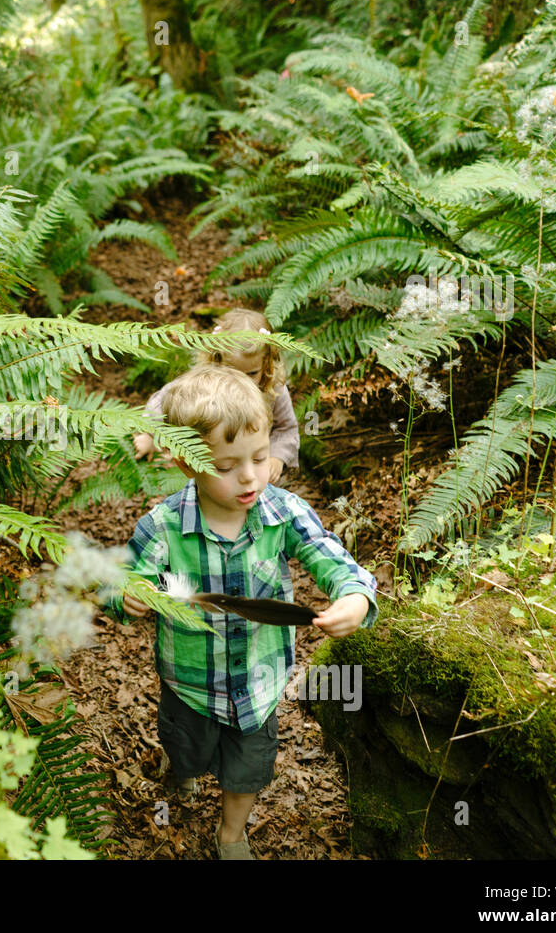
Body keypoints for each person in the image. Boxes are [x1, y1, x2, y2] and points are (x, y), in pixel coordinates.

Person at [113, 364, 377, 860]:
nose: (251, 475)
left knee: (249, 767)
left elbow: (327, 553)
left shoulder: (281, 511)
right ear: (188, 464)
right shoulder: (165, 525)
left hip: (258, 682)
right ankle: (184, 773)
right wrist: (126, 595)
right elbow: (126, 577)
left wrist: (354, 594)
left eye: (258, 457)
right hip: (190, 683)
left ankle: (230, 834)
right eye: (229, 465)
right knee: (187, 750)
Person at [133, 308, 299, 485]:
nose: (241, 380)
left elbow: (286, 428)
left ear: (266, 363)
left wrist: (277, 457)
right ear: (217, 360)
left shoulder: (273, 389)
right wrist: (150, 435)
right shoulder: (204, 382)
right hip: (217, 470)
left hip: (255, 472)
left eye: (251, 373)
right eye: (233, 371)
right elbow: (164, 399)